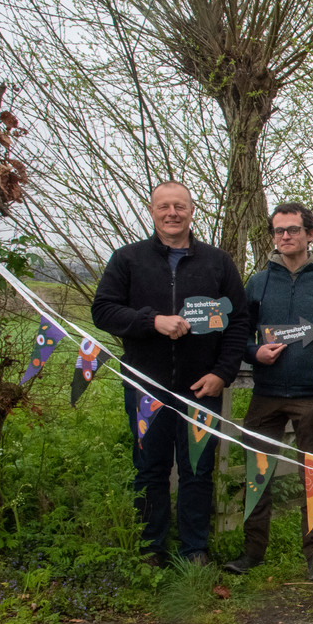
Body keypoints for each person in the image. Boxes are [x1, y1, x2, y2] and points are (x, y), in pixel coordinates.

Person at [91, 181, 248, 567]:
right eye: (164, 206)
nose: (172, 212)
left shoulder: (217, 262)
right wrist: (152, 321)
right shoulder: (128, 259)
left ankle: (195, 548)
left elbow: (239, 322)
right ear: (152, 211)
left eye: (180, 205)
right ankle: (151, 548)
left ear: (192, 210)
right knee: (150, 468)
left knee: (198, 468)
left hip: (201, 388)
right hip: (147, 387)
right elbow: (103, 311)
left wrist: (222, 373)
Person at [223, 202, 313, 580]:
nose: (284, 237)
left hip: (312, 395)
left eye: (292, 230)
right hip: (267, 393)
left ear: (310, 233)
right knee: (258, 473)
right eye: (278, 231)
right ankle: (252, 551)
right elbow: (237, 331)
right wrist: (254, 352)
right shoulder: (258, 282)